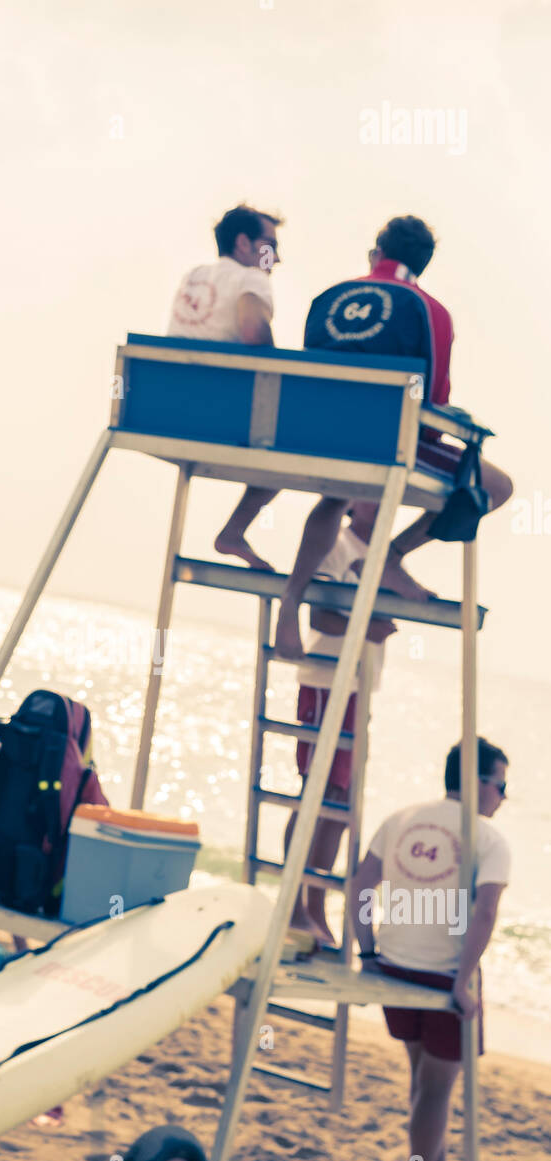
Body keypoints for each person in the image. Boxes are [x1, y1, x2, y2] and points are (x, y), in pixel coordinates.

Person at [275, 216, 513, 658]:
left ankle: (290, 599)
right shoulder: (429, 309)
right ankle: (391, 554)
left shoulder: (330, 295)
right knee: (497, 486)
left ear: (378, 251)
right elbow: (435, 400)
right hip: (387, 446)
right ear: (424, 262)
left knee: (336, 495)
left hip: (317, 438)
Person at [350, 737, 510, 1161]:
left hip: (395, 970)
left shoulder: (401, 819)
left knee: (424, 1086)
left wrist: (369, 950)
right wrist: (462, 984)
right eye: (502, 784)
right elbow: (484, 915)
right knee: (435, 1091)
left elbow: (361, 886)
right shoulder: (487, 838)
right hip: (442, 979)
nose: (503, 795)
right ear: (479, 783)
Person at [283, 503, 397, 946]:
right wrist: (369, 627)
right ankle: (293, 904)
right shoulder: (334, 542)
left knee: (339, 804)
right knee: (313, 794)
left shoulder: (383, 553)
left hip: (359, 685)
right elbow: (319, 614)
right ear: (353, 503)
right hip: (328, 679)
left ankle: (315, 903)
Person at [168, 204, 283, 570]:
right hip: (218, 418)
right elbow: (254, 335)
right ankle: (234, 531)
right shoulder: (251, 279)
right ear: (244, 243)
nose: (277, 258)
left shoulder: (193, 277)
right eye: (270, 245)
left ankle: (233, 534)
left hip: (167, 411)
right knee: (300, 446)